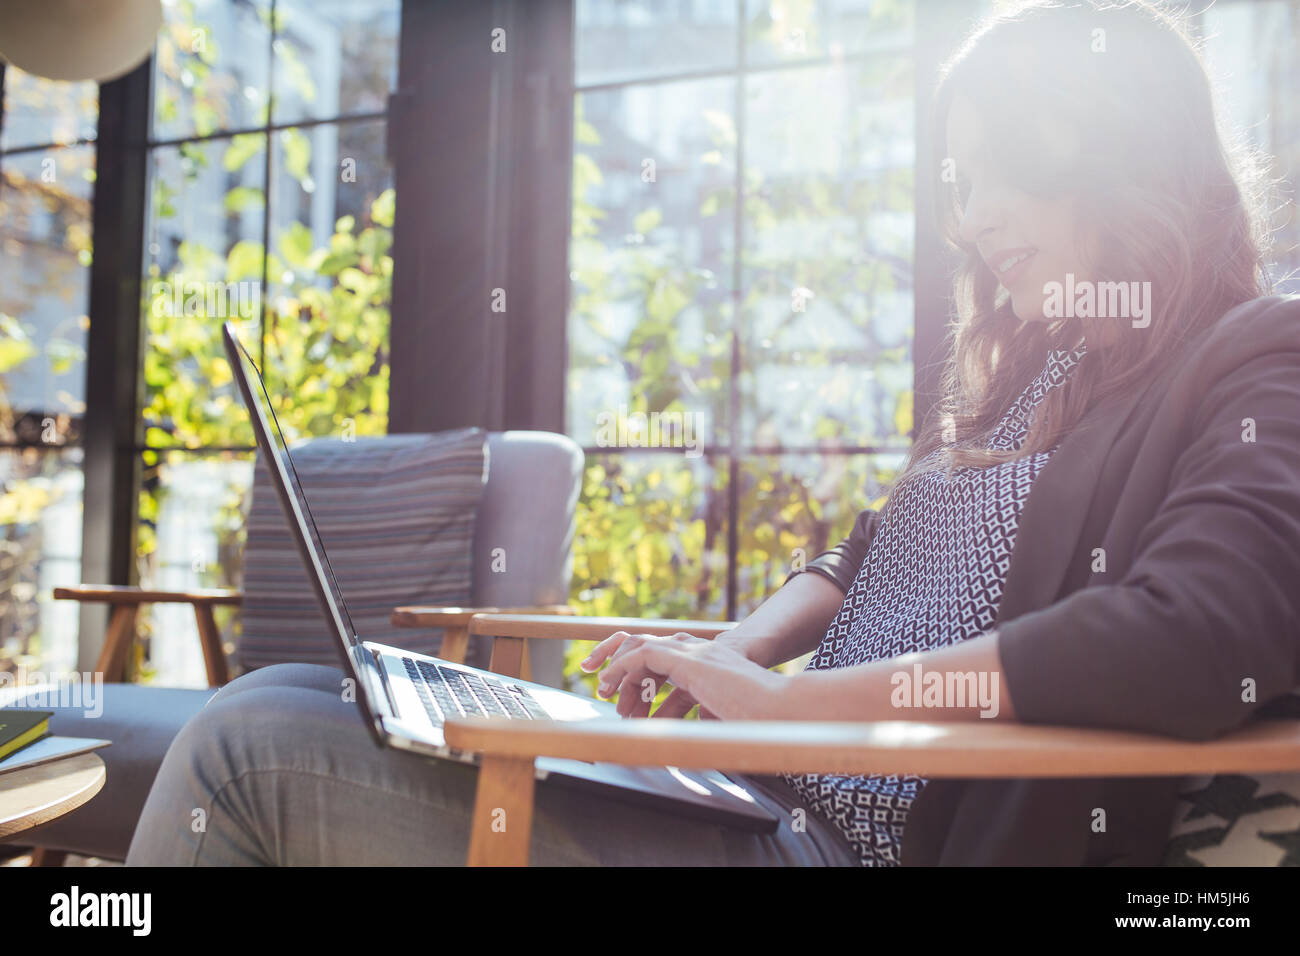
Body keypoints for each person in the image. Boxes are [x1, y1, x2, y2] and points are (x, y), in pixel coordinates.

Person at [126, 0, 1300, 866]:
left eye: (998, 179)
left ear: (1114, 155)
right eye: (958, 183)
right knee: (289, 689)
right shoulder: (1044, 362)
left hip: (840, 843)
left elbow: (1193, 635)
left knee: (248, 750)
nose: (970, 220)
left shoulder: (1254, 352)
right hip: (758, 788)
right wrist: (725, 664)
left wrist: (792, 707)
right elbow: (870, 552)